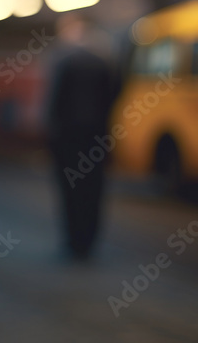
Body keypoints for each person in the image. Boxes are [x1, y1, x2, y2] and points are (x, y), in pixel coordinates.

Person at [44, 13, 116, 260]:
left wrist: (51, 139)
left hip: (68, 140)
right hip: (96, 138)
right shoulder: (103, 63)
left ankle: (74, 241)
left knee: (70, 192)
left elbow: (54, 105)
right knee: (93, 192)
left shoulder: (64, 62)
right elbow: (113, 100)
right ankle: (89, 241)